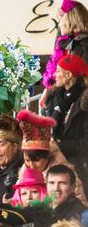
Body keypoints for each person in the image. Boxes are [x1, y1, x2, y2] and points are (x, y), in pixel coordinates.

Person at [46, 53, 88, 192]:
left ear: (68, 75)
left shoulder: (84, 102)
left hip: (80, 169)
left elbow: (85, 144)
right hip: (57, 168)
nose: (54, 75)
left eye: (58, 71)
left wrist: (59, 147)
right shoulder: (57, 97)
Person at [41, 0, 88, 104]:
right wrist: (46, 93)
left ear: (70, 20)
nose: (59, 23)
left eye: (61, 19)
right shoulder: (64, 41)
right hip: (61, 98)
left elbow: (82, 81)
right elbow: (54, 67)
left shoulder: (84, 44)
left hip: (77, 104)